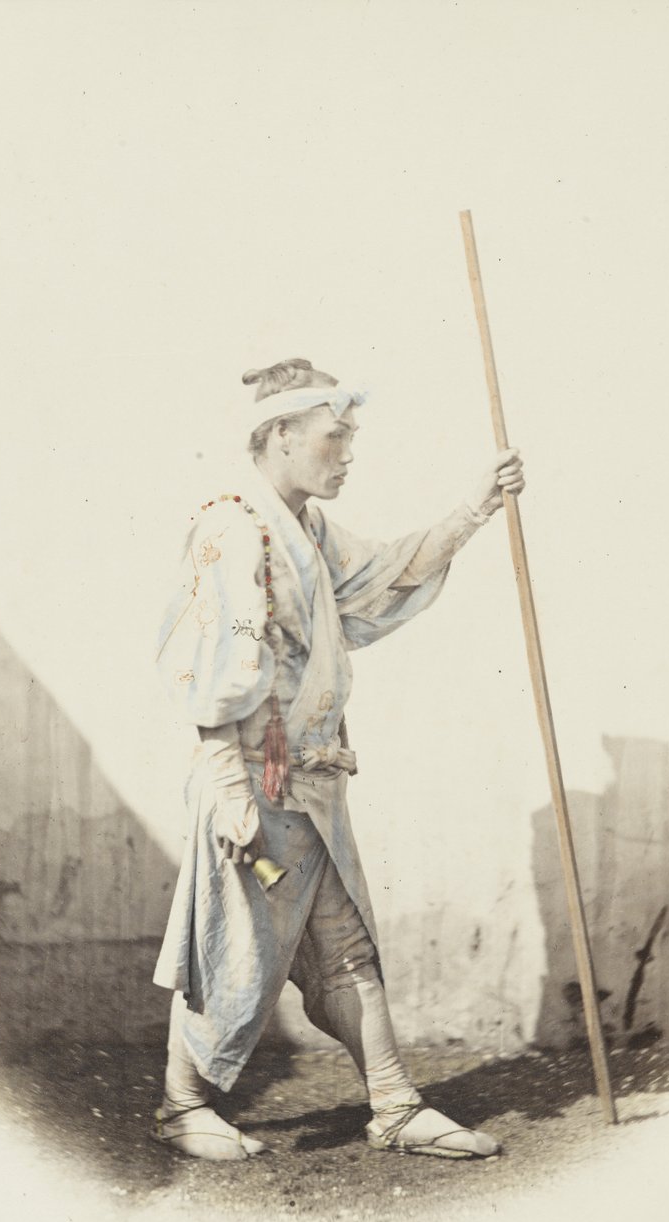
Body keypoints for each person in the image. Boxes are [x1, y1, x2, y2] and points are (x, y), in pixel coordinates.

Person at [151, 357, 525, 1161]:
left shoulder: (310, 530)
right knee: (239, 947)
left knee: (346, 945)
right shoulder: (232, 529)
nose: (349, 452)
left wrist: (476, 506)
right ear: (281, 435)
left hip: (312, 785)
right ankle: (183, 1106)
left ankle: (393, 1105)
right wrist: (229, 794)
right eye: (336, 436)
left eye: (351, 435)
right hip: (252, 786)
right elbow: (216, 679)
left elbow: (386, 574)